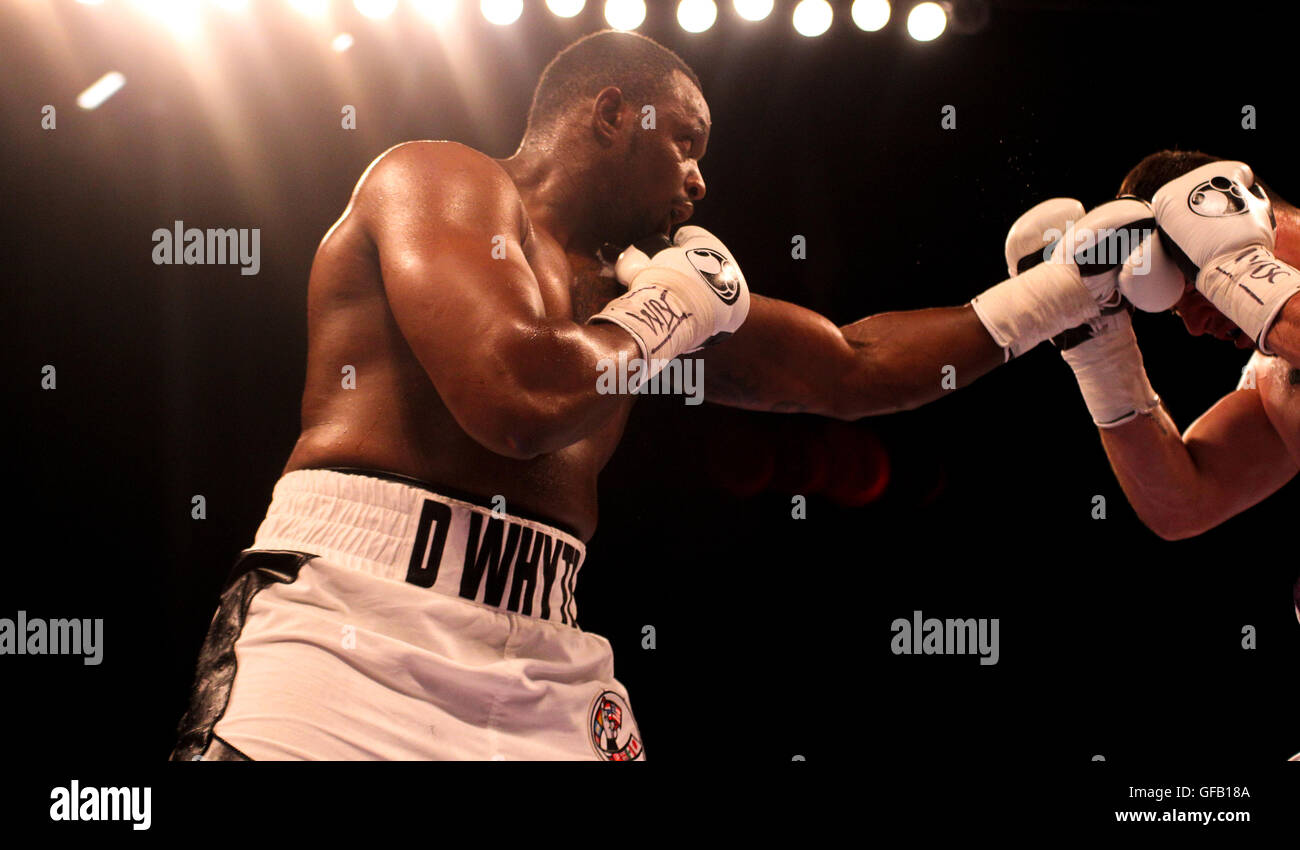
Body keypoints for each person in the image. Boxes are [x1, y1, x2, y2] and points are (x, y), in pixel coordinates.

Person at [169, 29, 1175, 761]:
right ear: (612, 113)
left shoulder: (637, 294)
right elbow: (514, 396)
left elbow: (853, 370)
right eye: (685, 145)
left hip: (541, 652)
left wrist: (1064, 288)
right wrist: (672, 315)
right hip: (353, 625)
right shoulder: (436, 180)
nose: (697, 185)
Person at [1051, 152, 1300, 541]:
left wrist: (1239, 269)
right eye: (1175, 311)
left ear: (1232, 209)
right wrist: (1097, 349)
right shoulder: (1271, 380)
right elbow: (1185, 505)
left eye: (1193, 286)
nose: (1197, 327)